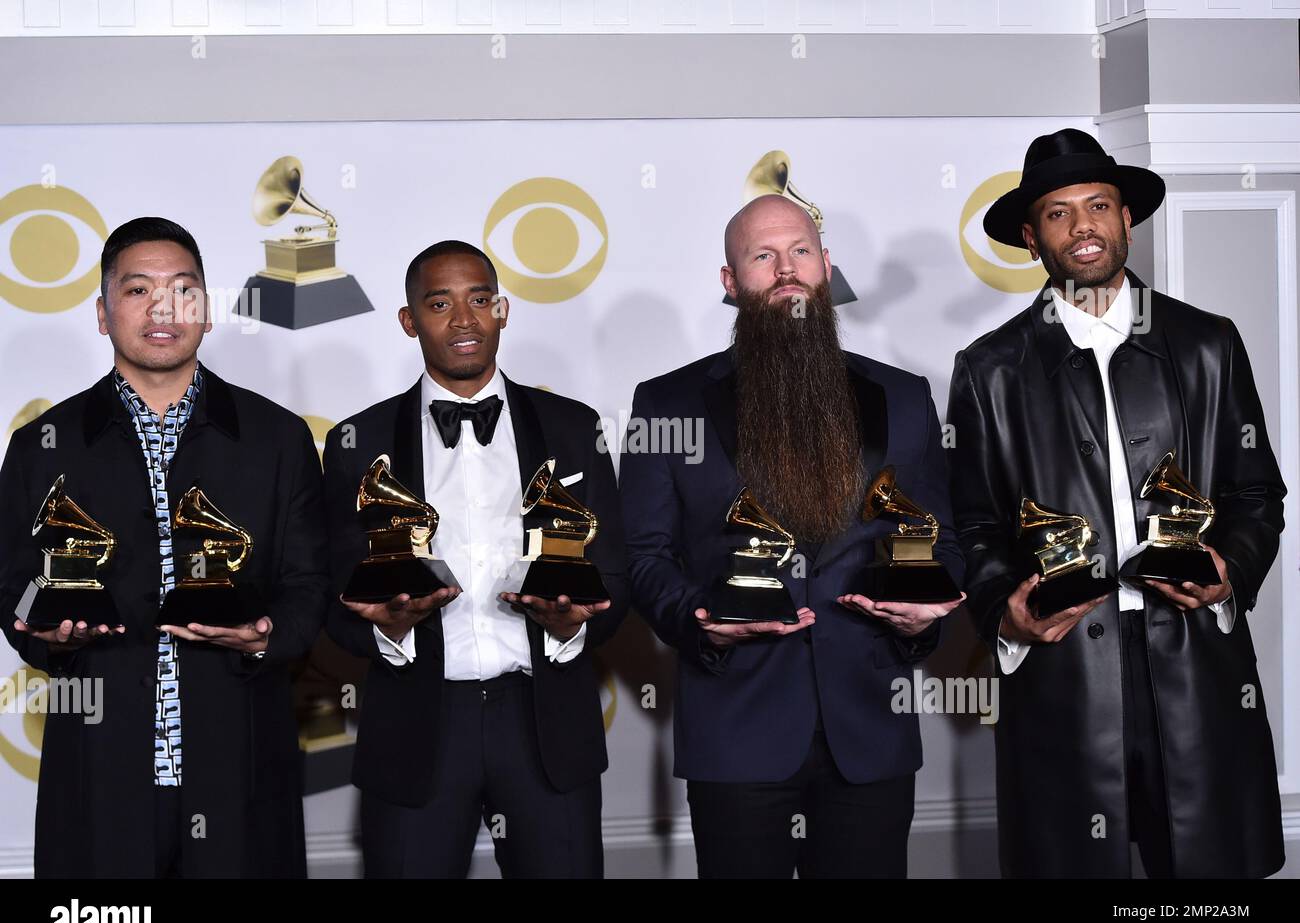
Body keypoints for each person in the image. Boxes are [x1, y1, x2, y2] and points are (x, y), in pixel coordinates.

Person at [947, 128, 1285, 877]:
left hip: (1196, 665)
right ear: (1031, 239)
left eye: (1099, 205)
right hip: (1063, 673)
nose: (1085, 227)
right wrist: (1007, 610)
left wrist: (1230, 566)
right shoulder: (988, 372)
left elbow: (1257, 490)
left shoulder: (1208, 344)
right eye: (1060, 214)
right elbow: (969, 524)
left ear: (1127, 219)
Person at [619, 194, 964, 878]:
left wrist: (928, 616)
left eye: (800, 252)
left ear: (827, 268)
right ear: (730, 282)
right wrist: (701, 623)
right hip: (735, 730)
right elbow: (644, 554)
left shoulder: (902, 395)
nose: (785, 271)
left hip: (869, 728)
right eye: (762, 256)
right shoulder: (667, 403)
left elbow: (941, 537)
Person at [0, 216, 328, 877]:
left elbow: (309, 585)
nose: (162, 309)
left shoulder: (277, 438)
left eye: (183, 290)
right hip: (101, 777)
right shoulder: (44, 444)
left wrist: (265, 634)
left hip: (241, 771)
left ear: (205, 312)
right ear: (102, 312)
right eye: (138, 289)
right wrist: (50, 637)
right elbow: (13, 584)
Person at [323, 240, 628, 878]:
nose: (464, 319)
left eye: (480, 299)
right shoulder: (358, 441)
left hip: (546, 724)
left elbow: (618, 577)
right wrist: (390, 629)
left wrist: (574, 627)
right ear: (409, 321)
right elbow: (331, 595)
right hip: (417, 726)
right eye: (440, 304)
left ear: (503, 310)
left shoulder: (574, 426)